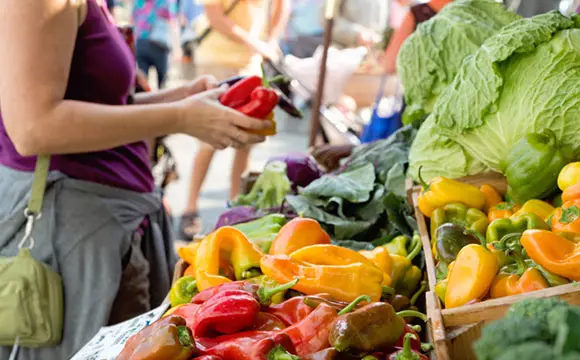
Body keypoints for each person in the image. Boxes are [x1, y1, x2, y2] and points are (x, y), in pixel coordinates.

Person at [0, 0, 270, 358]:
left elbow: (90, 101)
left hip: (105, 226)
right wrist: (178, 117)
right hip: (72, 235)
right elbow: (33, 128)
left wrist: (180, 101)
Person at [179, 0, 291, 239]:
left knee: (246, 139)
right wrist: (259, 44)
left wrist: (271, 41)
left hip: (250, 63)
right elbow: (215, 17)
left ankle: (235, 210)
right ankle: (190, 208)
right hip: (216, 59)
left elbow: (283, 6)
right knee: (208, 139)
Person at [313, 0, 452, 170]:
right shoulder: (481, 13)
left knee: (415, 164)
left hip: (422, 110)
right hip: (461, 113)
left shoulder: (418, 14)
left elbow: (390, 65)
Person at [133, 0, 176, 88]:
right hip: (158, 44)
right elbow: (172, 20)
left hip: (141, 42)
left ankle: (144, 100)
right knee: (162, 82)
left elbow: (133, 19)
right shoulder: (165, 1)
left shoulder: (138, 2)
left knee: (142, 82)